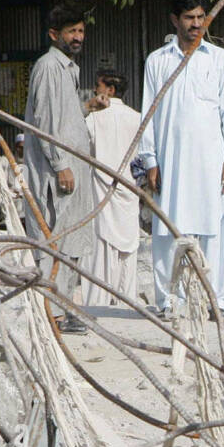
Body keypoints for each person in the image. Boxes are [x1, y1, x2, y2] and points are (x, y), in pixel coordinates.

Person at [139, 0, 224, 321]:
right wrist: (151, 160)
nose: (196, 23)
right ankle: (169, 300)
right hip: (170, 160)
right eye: (189, 18)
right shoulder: (158, 61)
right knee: (169, 228)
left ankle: (219, 300)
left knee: (214, 227)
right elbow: (147, 115)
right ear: (175, 20)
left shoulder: (219, 59)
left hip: (210, 160)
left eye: (201, 17)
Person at [24, 2, 95, 334]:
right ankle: (51, 314)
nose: (78, 37)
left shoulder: (69, 68)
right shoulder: (50, 66)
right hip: (59, 174)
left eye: (80, 30)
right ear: (54, 35)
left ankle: (64, 309)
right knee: (56, 240)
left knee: (72, 242)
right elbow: (46, 122)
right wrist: (61, 164)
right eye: (72, 32)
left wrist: (87, 107)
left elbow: (64, 115)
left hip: (74, 170)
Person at [83, 68, 142, 306]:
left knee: (101, 247)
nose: (96, 90)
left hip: (101, 187)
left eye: (98, 86)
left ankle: (97, 301)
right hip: (128, 188)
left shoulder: (94, 119)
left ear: (110, 90)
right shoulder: (137, 117)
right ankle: (126, 300)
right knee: (127, 248)